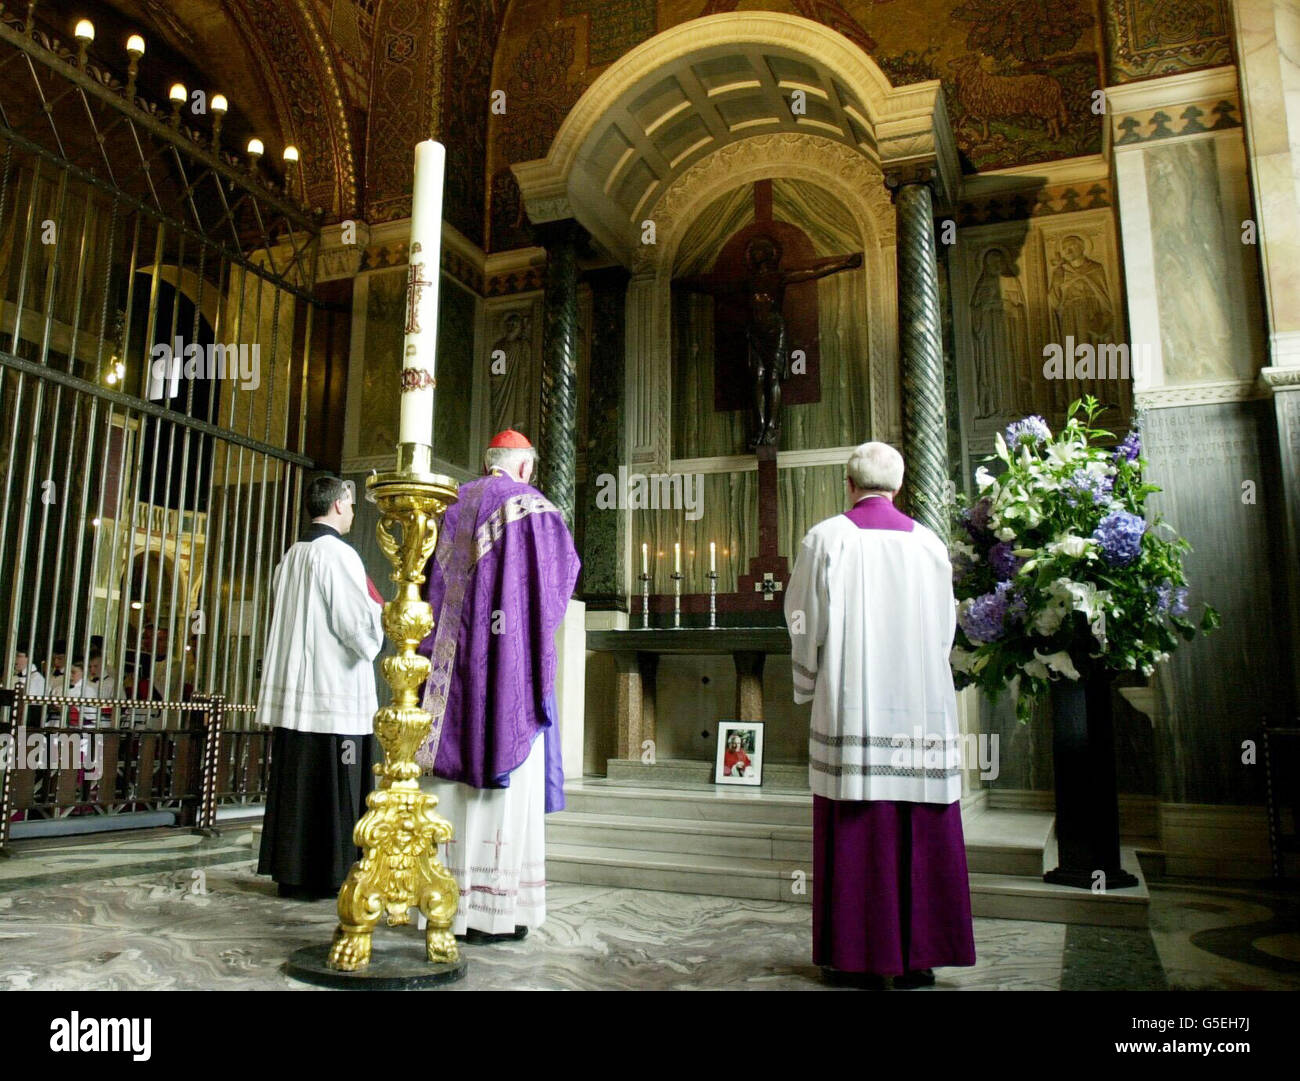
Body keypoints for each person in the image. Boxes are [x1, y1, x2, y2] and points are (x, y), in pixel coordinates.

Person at [784, 441, 976, 990]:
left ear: (848, 484)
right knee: (920, 830)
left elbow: (802, 620)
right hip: (918, 709)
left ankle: (855, 959)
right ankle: (918, 960)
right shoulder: (929, 545)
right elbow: (945, 630)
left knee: (857, 827)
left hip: (853, 705)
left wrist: (808, 681)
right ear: (899, 486)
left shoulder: (825, 539)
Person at [414, 429, 580, 941]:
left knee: (447, 793)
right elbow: (557, 584)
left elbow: (421, 583)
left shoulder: (447, 505)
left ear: (489, 464)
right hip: (506, 670)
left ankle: (443, 907)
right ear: (526, 467)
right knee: (502, 786)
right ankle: (495, 912)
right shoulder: (534, 509)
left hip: (448, 680)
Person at [255, 475, 384, 900]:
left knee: (298, 786)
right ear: (338, 505)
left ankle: (294, 873)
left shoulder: (292, 555)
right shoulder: (338, 555)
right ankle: (332, 874)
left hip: (297, 698)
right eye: (350, 502)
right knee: (336, 788)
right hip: (333, 697)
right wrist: (378, 621)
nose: (352, 510)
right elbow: (357, 631)